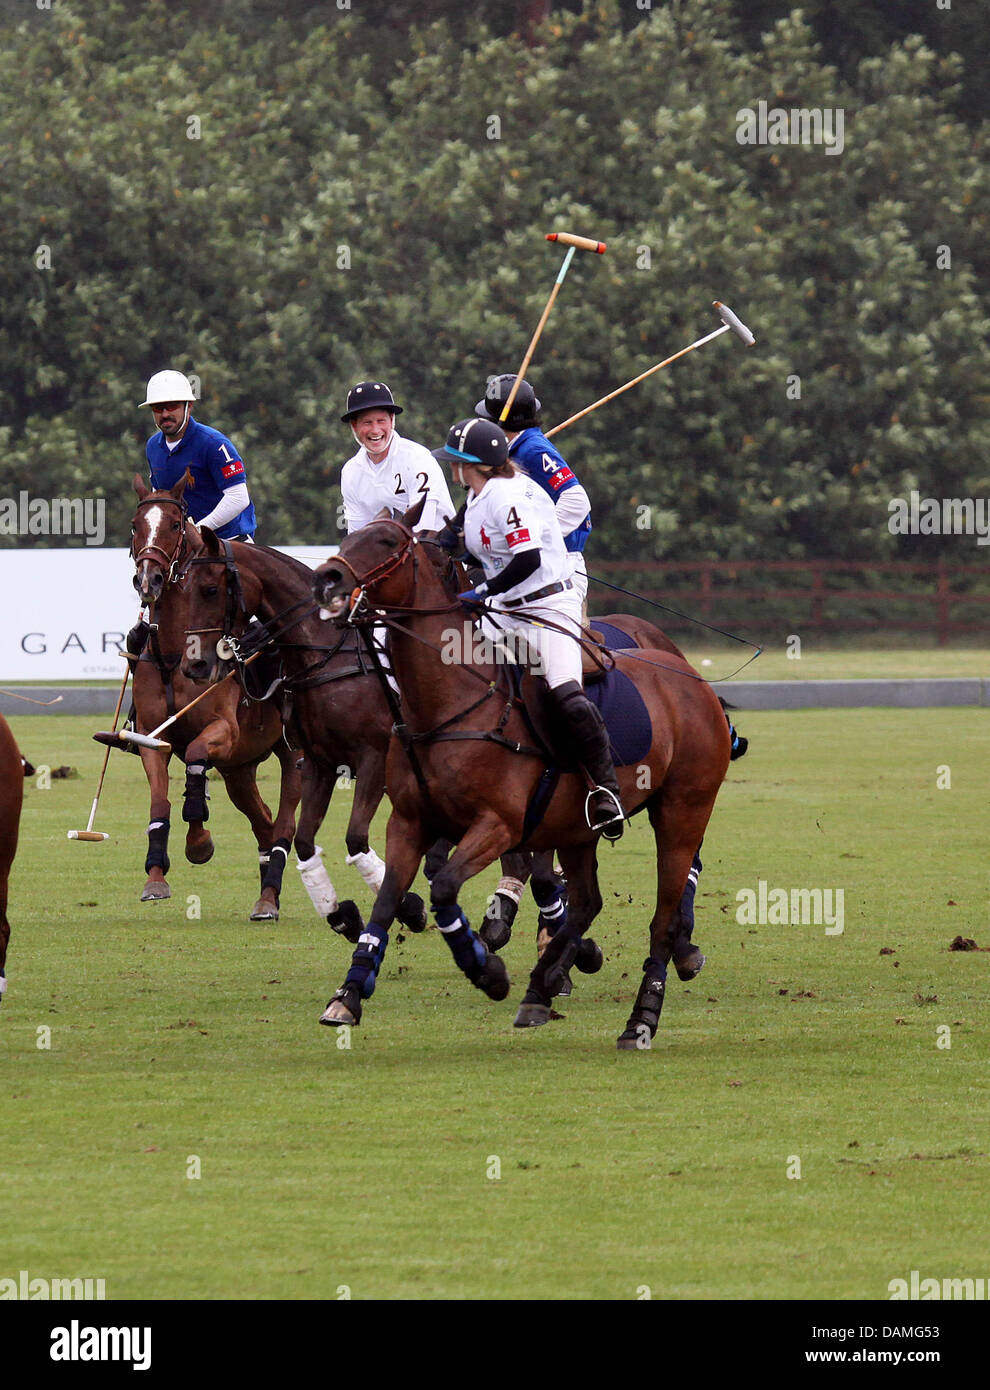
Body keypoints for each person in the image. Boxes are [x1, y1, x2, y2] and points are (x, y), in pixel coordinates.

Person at [442, 417, 624, 841]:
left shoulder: (509, 497)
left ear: (474, 464)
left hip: (548, 603)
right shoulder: (477, 493)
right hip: (506, 606)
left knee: (566, 693)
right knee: (460, 671)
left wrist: (479, 591)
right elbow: (462, 544)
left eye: (455, 460)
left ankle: (605, 790)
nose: (451, 467)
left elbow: (528, 561)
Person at [474, 374, 591, 616]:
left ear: (497, 423)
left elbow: (577, 501)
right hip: (534, 568)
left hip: (560, 568)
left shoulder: (533, 450)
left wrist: (537, 540)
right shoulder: (517, 449)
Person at [141, 371, 256, 540]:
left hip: (230, 541)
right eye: (158, 408)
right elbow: (159, 494)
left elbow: (238, 497)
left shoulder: (214, 443)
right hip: (184, 546)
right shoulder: (152, 446)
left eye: (172, 406)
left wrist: (199, 530)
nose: (165, 414)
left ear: (189, 406)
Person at [340, 381, 452, 535]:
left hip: (435, 551)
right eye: (367, 422)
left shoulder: (418, 458)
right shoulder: (350, 472)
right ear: (354, 426)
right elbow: (358, 533)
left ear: (392, 420)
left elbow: (421, 529)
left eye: (381, 421)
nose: (375, 430)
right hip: (390, 556)